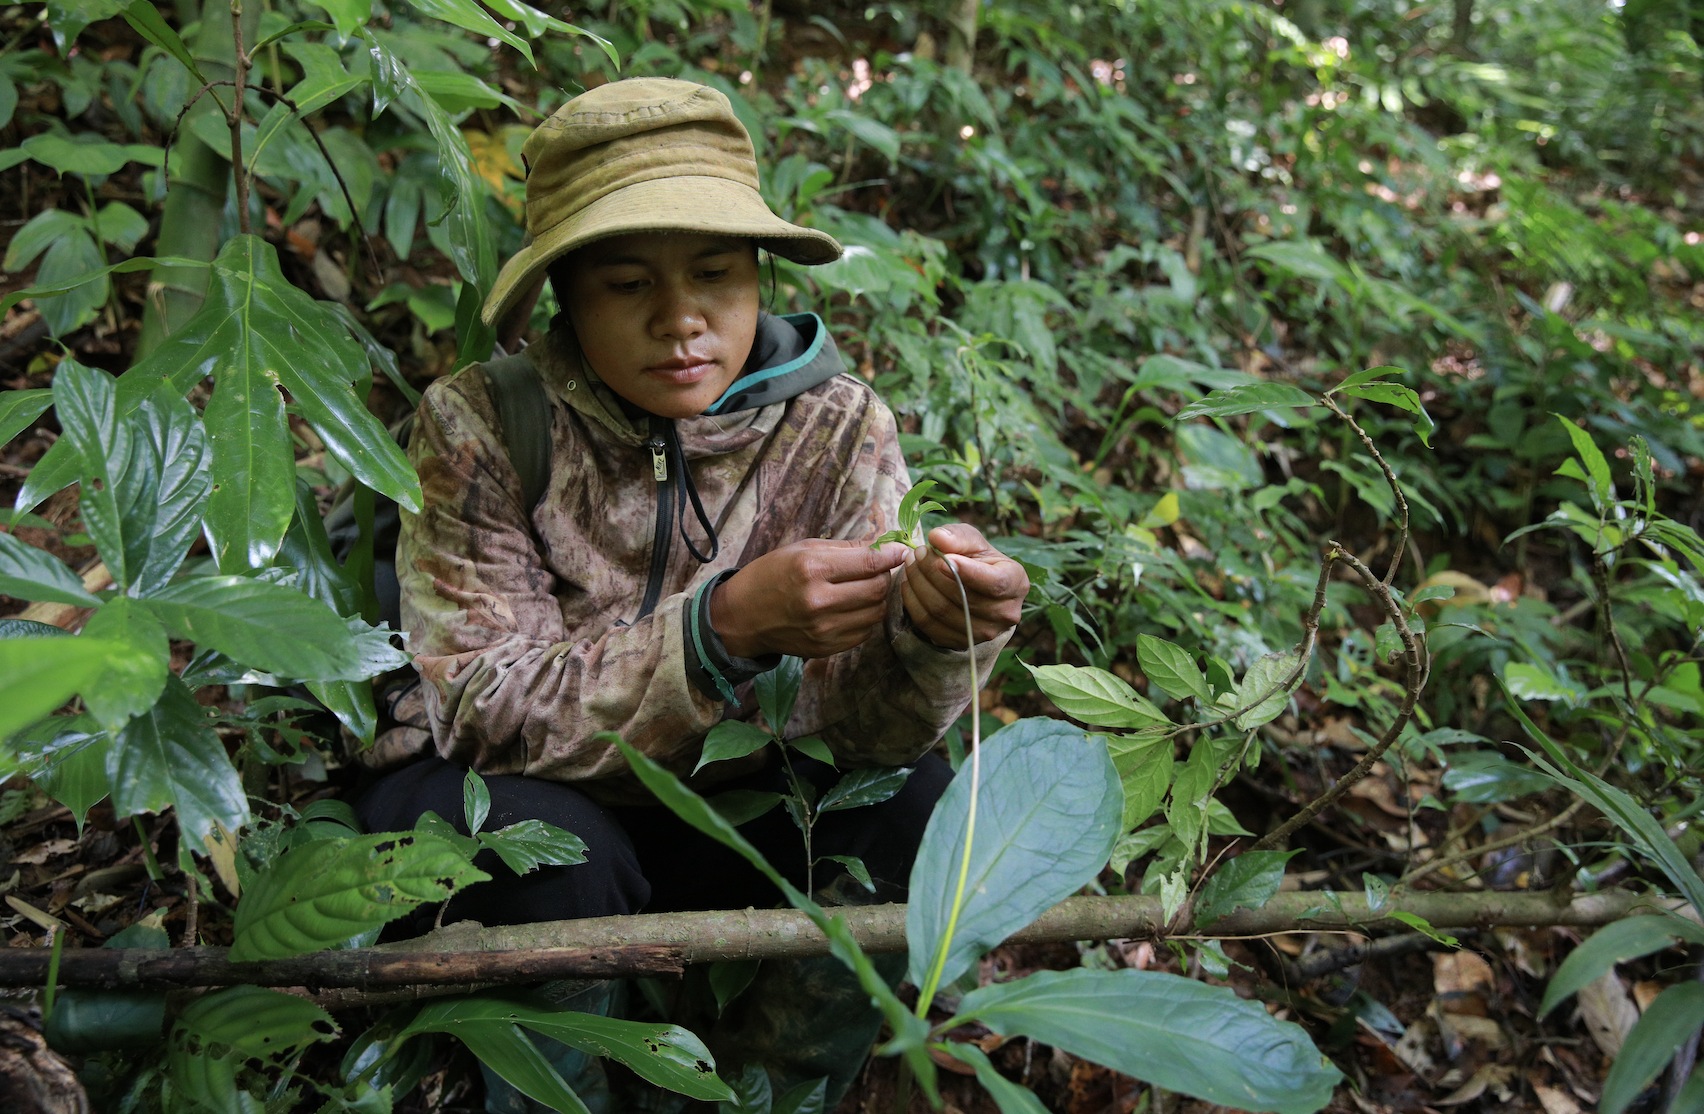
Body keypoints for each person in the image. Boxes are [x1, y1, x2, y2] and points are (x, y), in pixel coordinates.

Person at [354, 77, 1029, 1110]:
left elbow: (877, 736)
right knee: (551, 850)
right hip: (522, 805)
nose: (681, 320)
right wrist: (719, 631)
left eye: (715, 272)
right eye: (627, 285)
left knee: (921, 814)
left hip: (733, 808)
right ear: (567, 294)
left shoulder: (841, 429)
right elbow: (480, 708)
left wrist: (943, 637)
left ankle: (755, 1090)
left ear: (758, 275)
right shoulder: (483, 422)